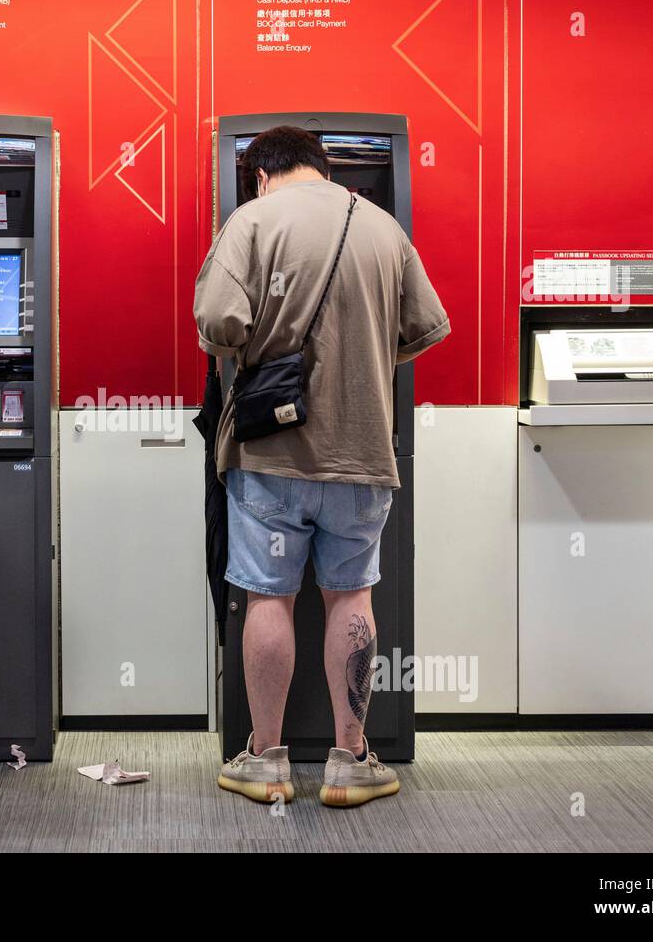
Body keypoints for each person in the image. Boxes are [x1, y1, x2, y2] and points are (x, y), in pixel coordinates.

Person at [193, 126, 450, 808]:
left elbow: (218, 321)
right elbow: (425, 328)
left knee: (267, 595)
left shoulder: (250, 222)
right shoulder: (383, 227)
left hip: (271, 452)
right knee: (351, 595)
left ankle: (266, 761)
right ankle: (351, 761)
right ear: (324, 167)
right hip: (364, 453)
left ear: (259, 174)